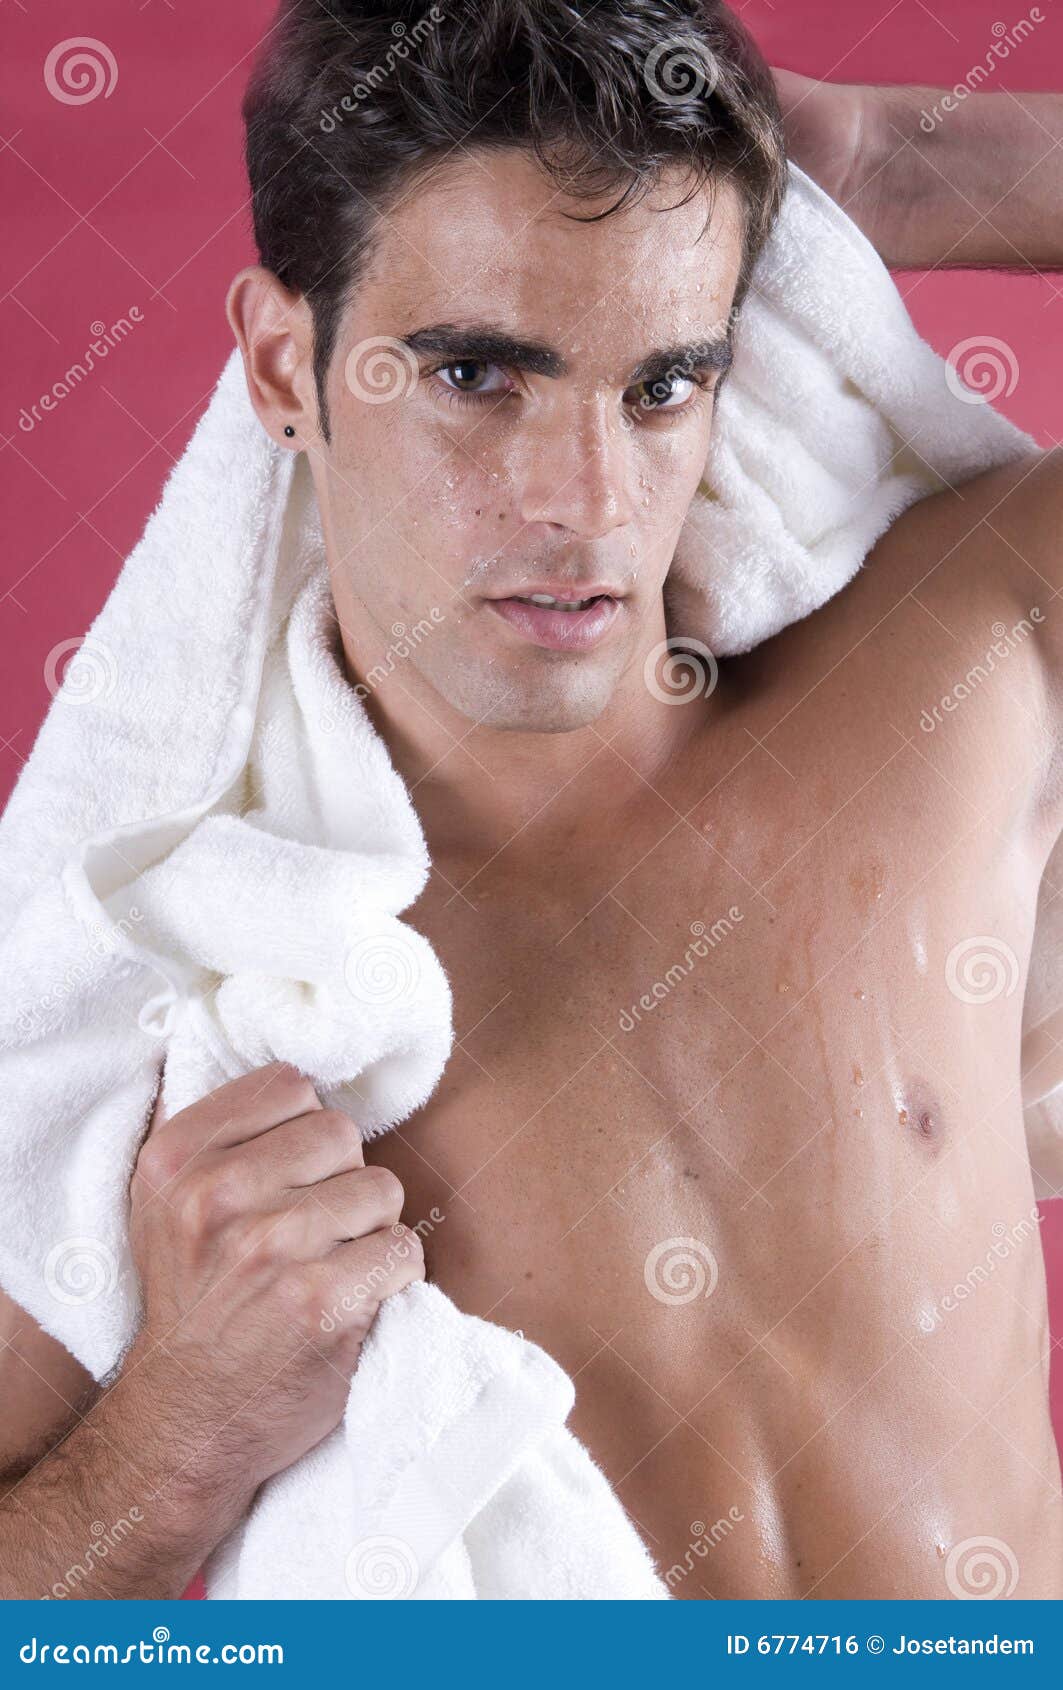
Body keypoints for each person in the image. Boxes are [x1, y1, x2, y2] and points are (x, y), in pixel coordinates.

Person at [2, 0, 1062, 1601]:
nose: (582, 503)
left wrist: (915, 167)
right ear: (287, 365)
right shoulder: (180, 1018)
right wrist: (177, 1433)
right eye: (480, 374)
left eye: (661, 384)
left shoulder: (962, 670)